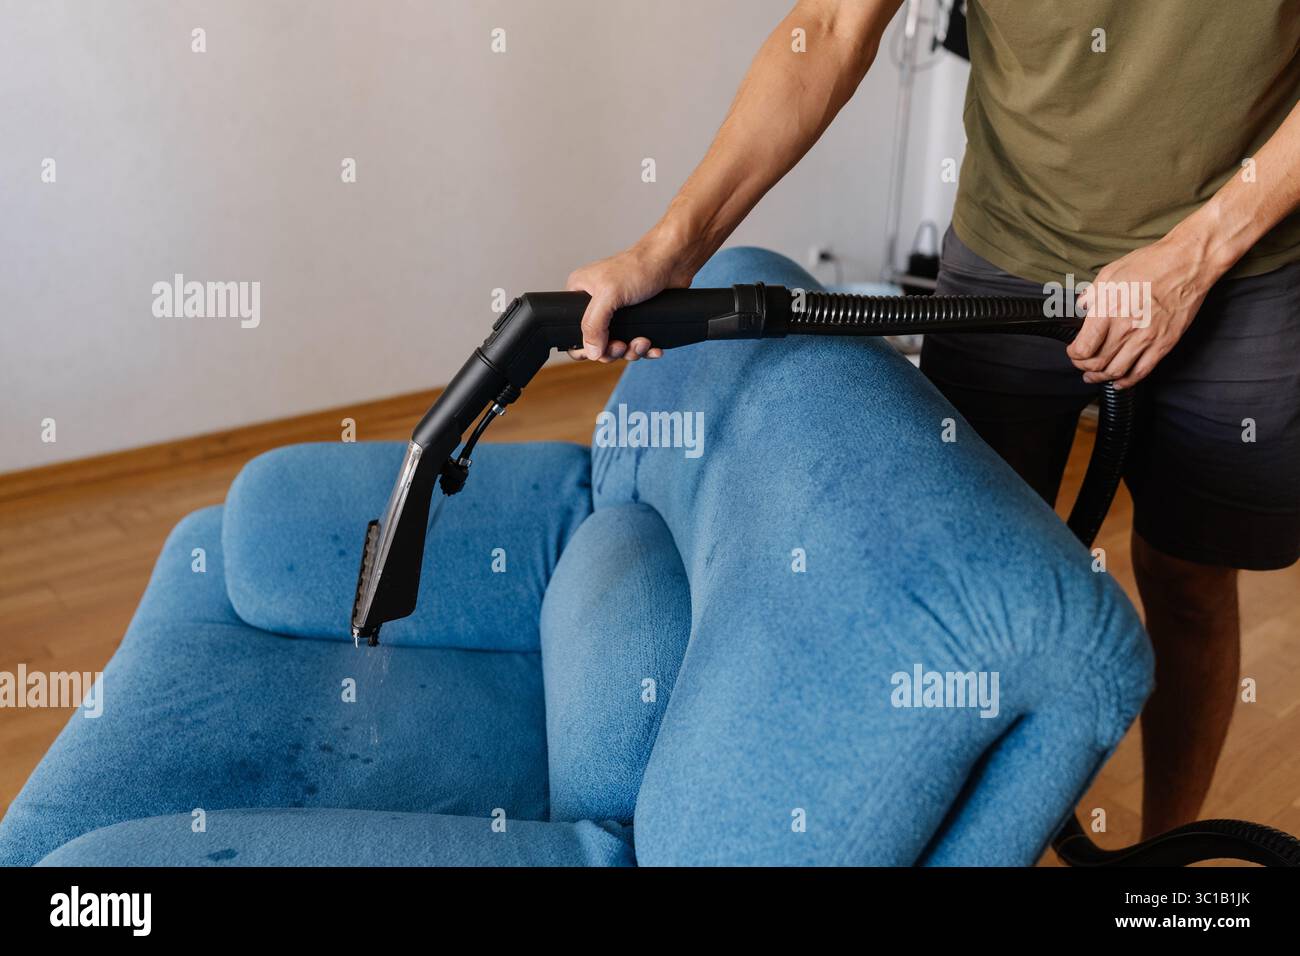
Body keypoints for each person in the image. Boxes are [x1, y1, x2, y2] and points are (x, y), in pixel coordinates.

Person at [565, 0, 1300, 839]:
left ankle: (1168, 856)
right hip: (1013, 257)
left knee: (1194, 583)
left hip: (1245, 266)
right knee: (950, 582)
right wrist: (670, 249)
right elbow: (832, 29)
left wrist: (1201, 251)